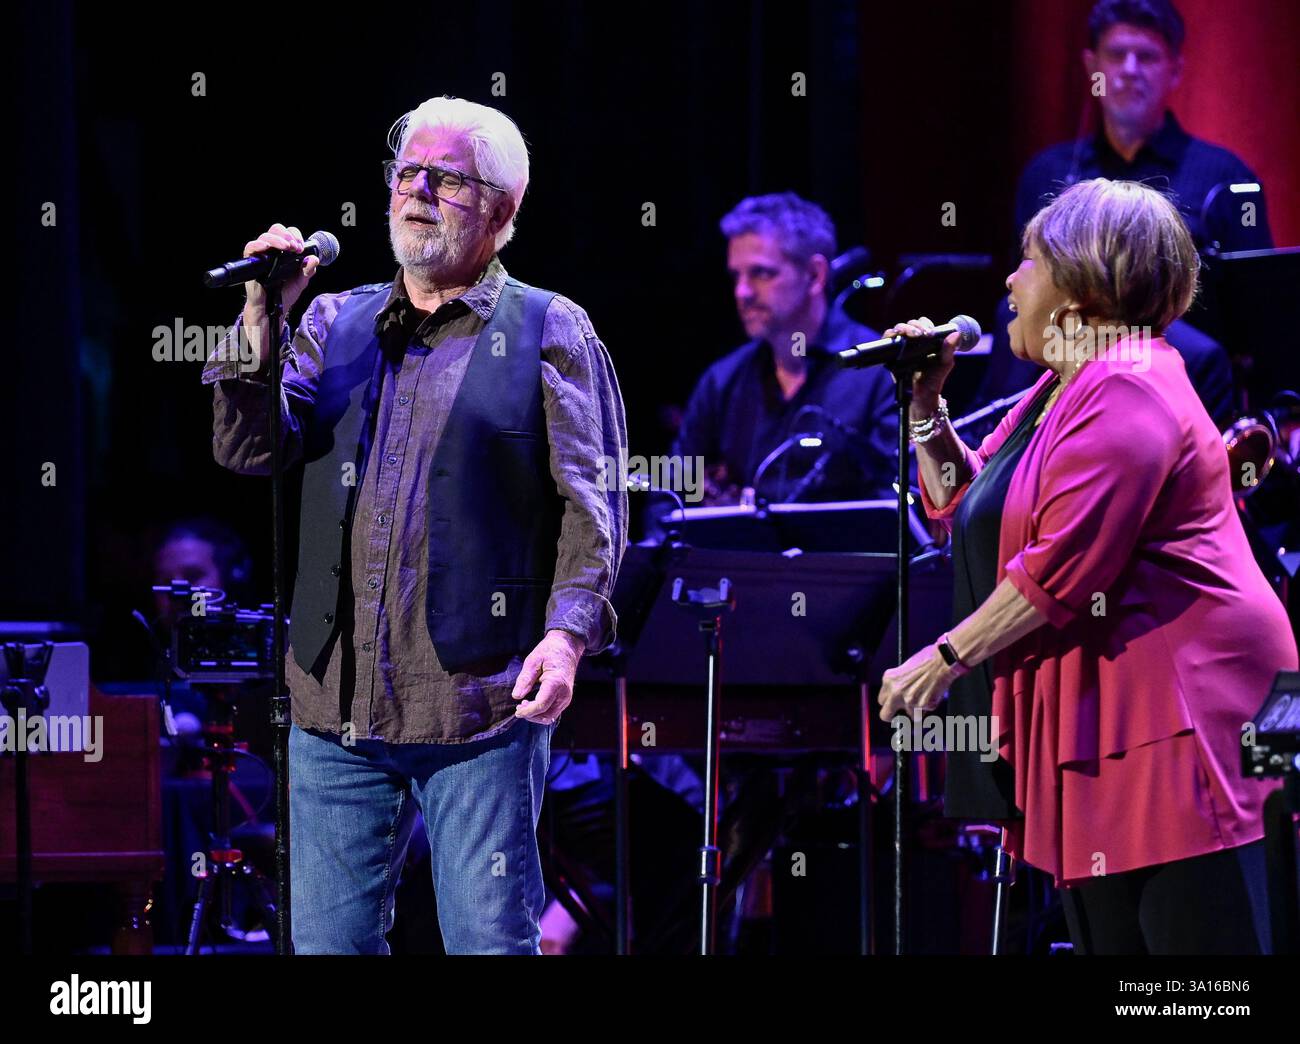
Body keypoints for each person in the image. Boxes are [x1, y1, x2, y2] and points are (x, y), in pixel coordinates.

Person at [201, 96, 628, 954]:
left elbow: (594, 506)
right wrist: (262, 315)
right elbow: (246, 449)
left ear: (502, 213)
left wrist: (567, 636)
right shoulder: (331, 322)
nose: (418, 190)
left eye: (449, 178)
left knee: (485, 943)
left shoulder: (550, 329)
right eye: (407, 173)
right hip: (334, 707)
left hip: (477, 702)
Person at [878, 178, 1296, 955]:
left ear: (1079, 289)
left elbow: (1063, 567)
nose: (1008, 282)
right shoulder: (1064, 387)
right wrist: (925, 405)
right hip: (1115, 716)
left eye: (1027, 261)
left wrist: (940, 661)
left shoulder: (1129, 384)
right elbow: (966, 509)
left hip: (1187, 717)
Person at [982, 0, 1271, 425]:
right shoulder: (1047, 173)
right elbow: (1021, 293)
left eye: (1148, 56)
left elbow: (1259, 310)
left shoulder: (1226, 176)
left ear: (1174, 69)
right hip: (1057, 387)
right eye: (1117, 55)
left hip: (1181, 391)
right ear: (1091, 66)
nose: (1130, 69)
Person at [672, 192, 896, 505]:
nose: (742, 292)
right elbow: (669, 495)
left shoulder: (882, 373)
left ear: (815, 275)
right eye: (737, 275)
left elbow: (898, 508)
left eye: (762, 273)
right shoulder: (721, 381)